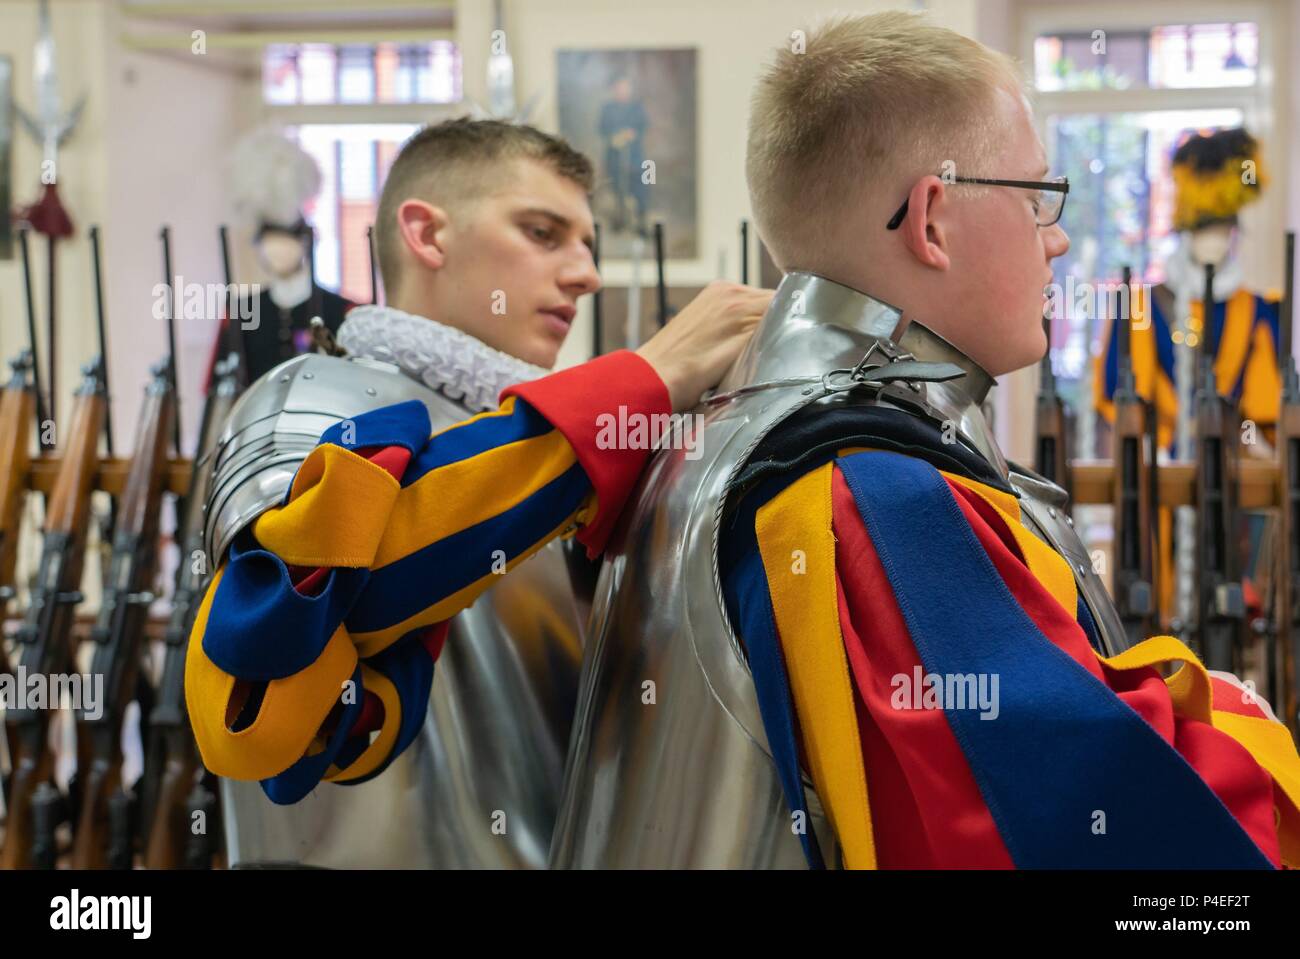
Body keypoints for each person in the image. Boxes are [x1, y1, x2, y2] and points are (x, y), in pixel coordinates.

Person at [548, 12, 1300, 869]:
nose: (1056, 239)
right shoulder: (868, 484)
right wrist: (1246, 717)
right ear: (932, 220)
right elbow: (1100, 833)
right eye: (1037, 198)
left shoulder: (719, 427)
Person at [187, 117, 771, 867]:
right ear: (427, 234)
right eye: (542, 231)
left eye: (587, 244)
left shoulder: (527, 442)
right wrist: (638, 381)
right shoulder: (309, 399)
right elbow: (283, 630)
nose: (585, 271)